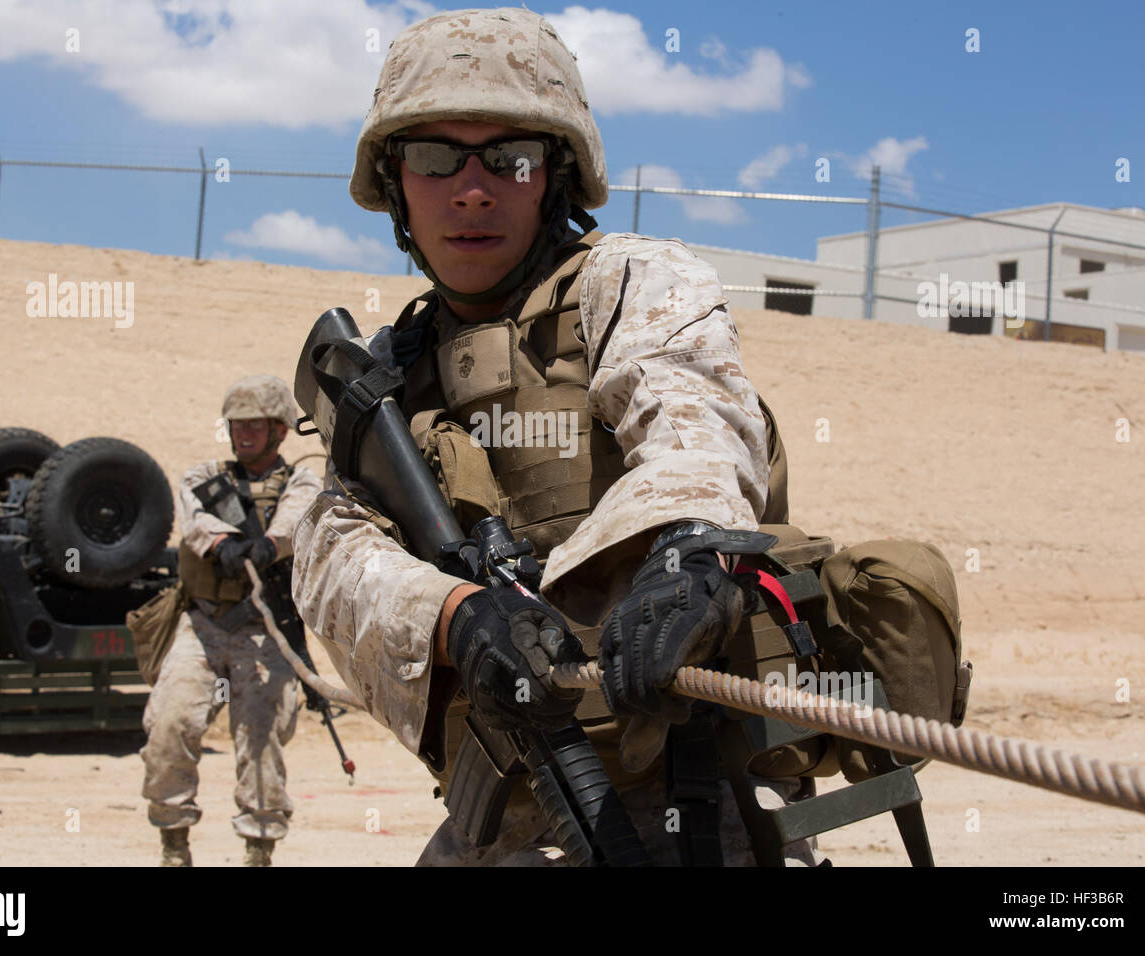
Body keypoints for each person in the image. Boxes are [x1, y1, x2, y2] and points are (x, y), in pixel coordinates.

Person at [291, 8, 814, 866]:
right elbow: (327, 549)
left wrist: (686, 549)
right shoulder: (383, 378)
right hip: (517, 796)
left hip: (696, 782)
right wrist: (457, 616)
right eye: (433, 157)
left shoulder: (631, 281)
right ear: (394, 182)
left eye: (510, 158)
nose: (470, 189)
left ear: (554, 177)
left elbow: (691, 411)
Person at [142, 374, 322, 866]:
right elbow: (195, 517)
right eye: (236, 425)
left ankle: (258, 851)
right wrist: (225, 543)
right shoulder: (205, 475)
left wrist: (270, 544)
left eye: (254, 425)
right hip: (201, 624)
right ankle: (174, 845)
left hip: (262, 631)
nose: (243, 434)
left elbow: (298, 517)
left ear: (280, 429)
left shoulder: (302, 478)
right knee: (170, 724)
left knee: (262, 740)